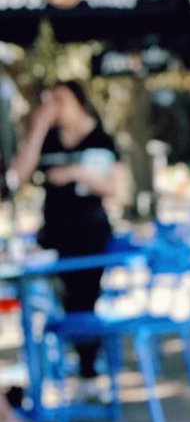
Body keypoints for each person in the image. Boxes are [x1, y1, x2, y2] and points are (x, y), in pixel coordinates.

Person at [11, 79, 128, 391]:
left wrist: (78, 175)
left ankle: (89, 369)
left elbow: (116, 189)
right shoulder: (48, 139)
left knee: (83, 300)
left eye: (60, 100)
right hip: (52, 235)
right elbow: (17, 177)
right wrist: (37, 128)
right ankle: (54, 368)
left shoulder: (101, 139)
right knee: (50, 301)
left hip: (89, 233)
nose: (55, 107)